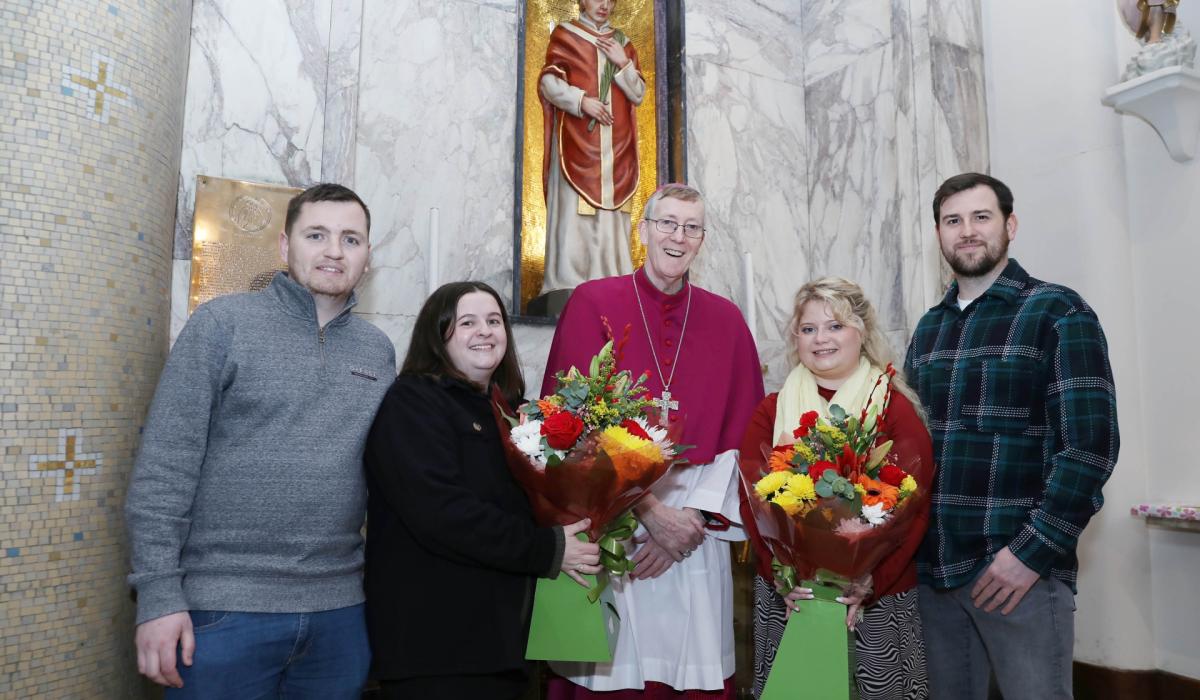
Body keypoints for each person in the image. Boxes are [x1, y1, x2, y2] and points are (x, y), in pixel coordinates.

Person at [124, 183, 396, 698]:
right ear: (284, 245)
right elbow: (165, 466)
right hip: (222, 607)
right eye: (316, 234)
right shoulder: (222, 325)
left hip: (338, 612)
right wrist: (159, 595)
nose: (334, 250)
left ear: (367, 256)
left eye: (351, 239)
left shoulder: (377, 351)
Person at [542, 183, 765, 699]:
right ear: (641, 230)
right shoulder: (592, 302)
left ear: (702, 240)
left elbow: (744, 438)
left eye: (691, 227)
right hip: (612, 530)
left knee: (691, 670)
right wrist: (648, 512)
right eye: (666, 223)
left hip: (694, 541)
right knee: (612, 672)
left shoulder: (727, 321)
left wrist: (692, 521)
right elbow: (566, 427)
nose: (677, 236)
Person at [904, 173, 1119, 700]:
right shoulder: (928, 329)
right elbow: (909, 451)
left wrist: (1032, 551)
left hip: (1016, 568)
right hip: (935, 570)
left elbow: (1089, 447)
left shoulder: (1057, 311)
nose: (967, 231)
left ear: (1010, 225)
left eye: (981, 217)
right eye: (953, 221)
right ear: (938, 234)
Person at [362, 281, 602, 699]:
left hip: (502, 643)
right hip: (438, 647)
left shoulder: (509, 413)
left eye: (494, 321)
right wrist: (548, 548)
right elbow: (442, 513)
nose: (485, 331)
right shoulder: (413, 402)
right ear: (438, 336)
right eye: (467, 322)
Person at [739, 277, 933, 700]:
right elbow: (750, 500)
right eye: (809, 329)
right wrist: (783, 577)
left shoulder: (891, 407)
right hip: (792, 596)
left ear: (861, 331)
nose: (821, 339)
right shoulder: (772, 410)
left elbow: (915, 508)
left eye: (835, 326)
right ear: (796, 338)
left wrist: (870, 579)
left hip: (875, 600)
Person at [538, 0, 645, 298]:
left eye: (611, 0)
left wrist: (623, 63)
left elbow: (638, 94)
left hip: (617, 146)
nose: (605, 5)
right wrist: (582, 101)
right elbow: (548, 82)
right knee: (575, 212)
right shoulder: (566, 34)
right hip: (577, 143)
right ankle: (571, 278)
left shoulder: (623, 42)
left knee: (613, 214)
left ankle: (614, 277)